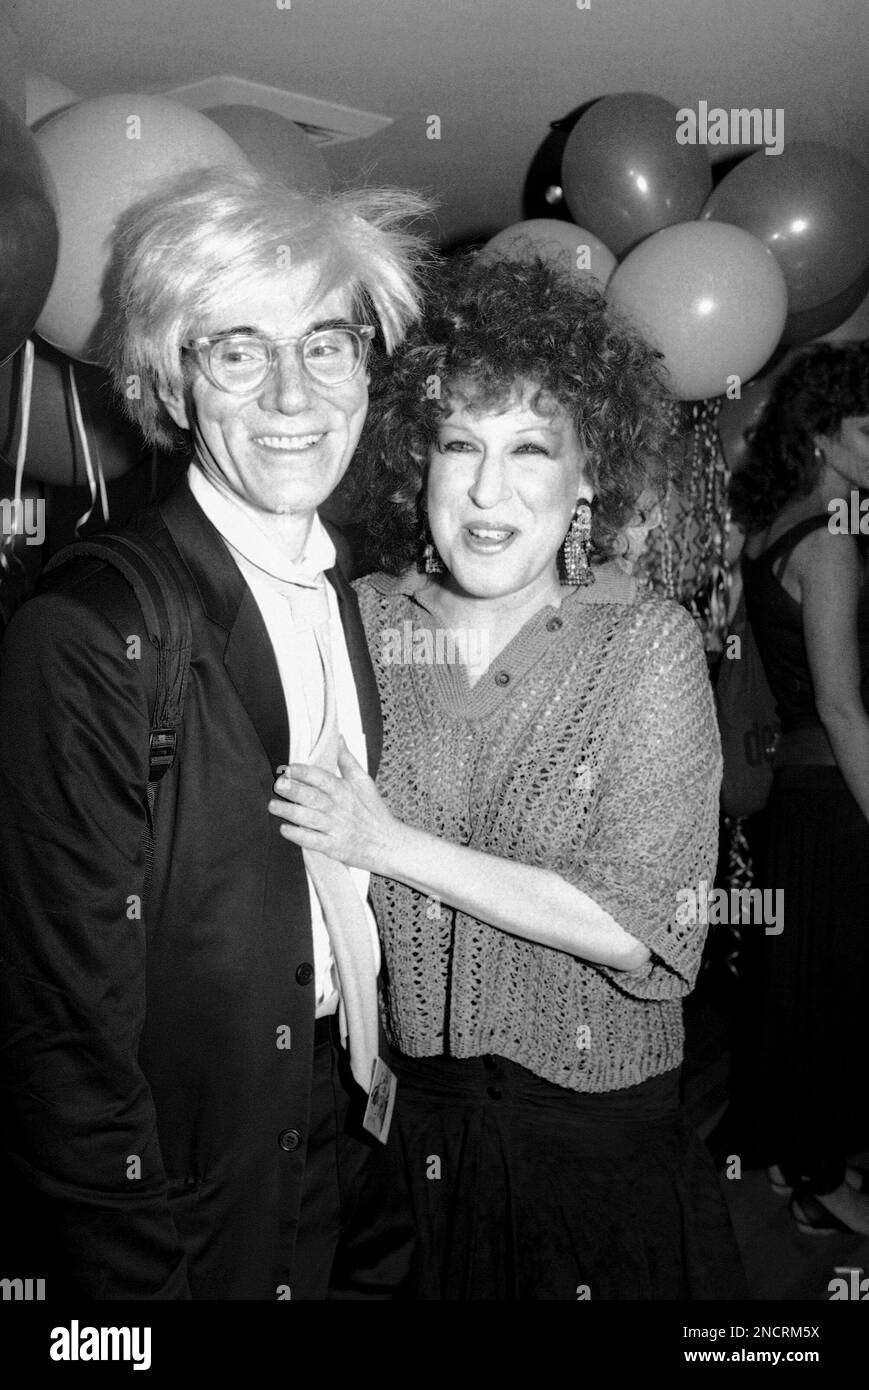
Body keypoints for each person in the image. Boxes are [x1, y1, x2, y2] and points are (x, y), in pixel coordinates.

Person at [268, 254, 747, 1300]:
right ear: (415, 461)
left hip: (591, 1147)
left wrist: (386, 844)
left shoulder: (642, 644)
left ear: (586, 477)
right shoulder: (356, 622)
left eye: (530, 448)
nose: (488, 491)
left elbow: (641, 921)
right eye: (459, 445)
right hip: (403, 1139)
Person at [0, 164, 429, 1299]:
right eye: (239, 349)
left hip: (343, 1148)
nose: (293, 395)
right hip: (191, 1210)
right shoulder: (93, 627)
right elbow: (61, 1030)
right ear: (172, 388)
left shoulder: (346, 597)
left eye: (324, 345)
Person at [729, 342, 869, 1236]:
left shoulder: (773, 524)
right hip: (837, 794)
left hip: (803, 793)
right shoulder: (825, 542)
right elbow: (841, 703)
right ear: (822, 436)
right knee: (832, 993)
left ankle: (801, 1165)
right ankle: (818, 1177)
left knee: (811, 987)